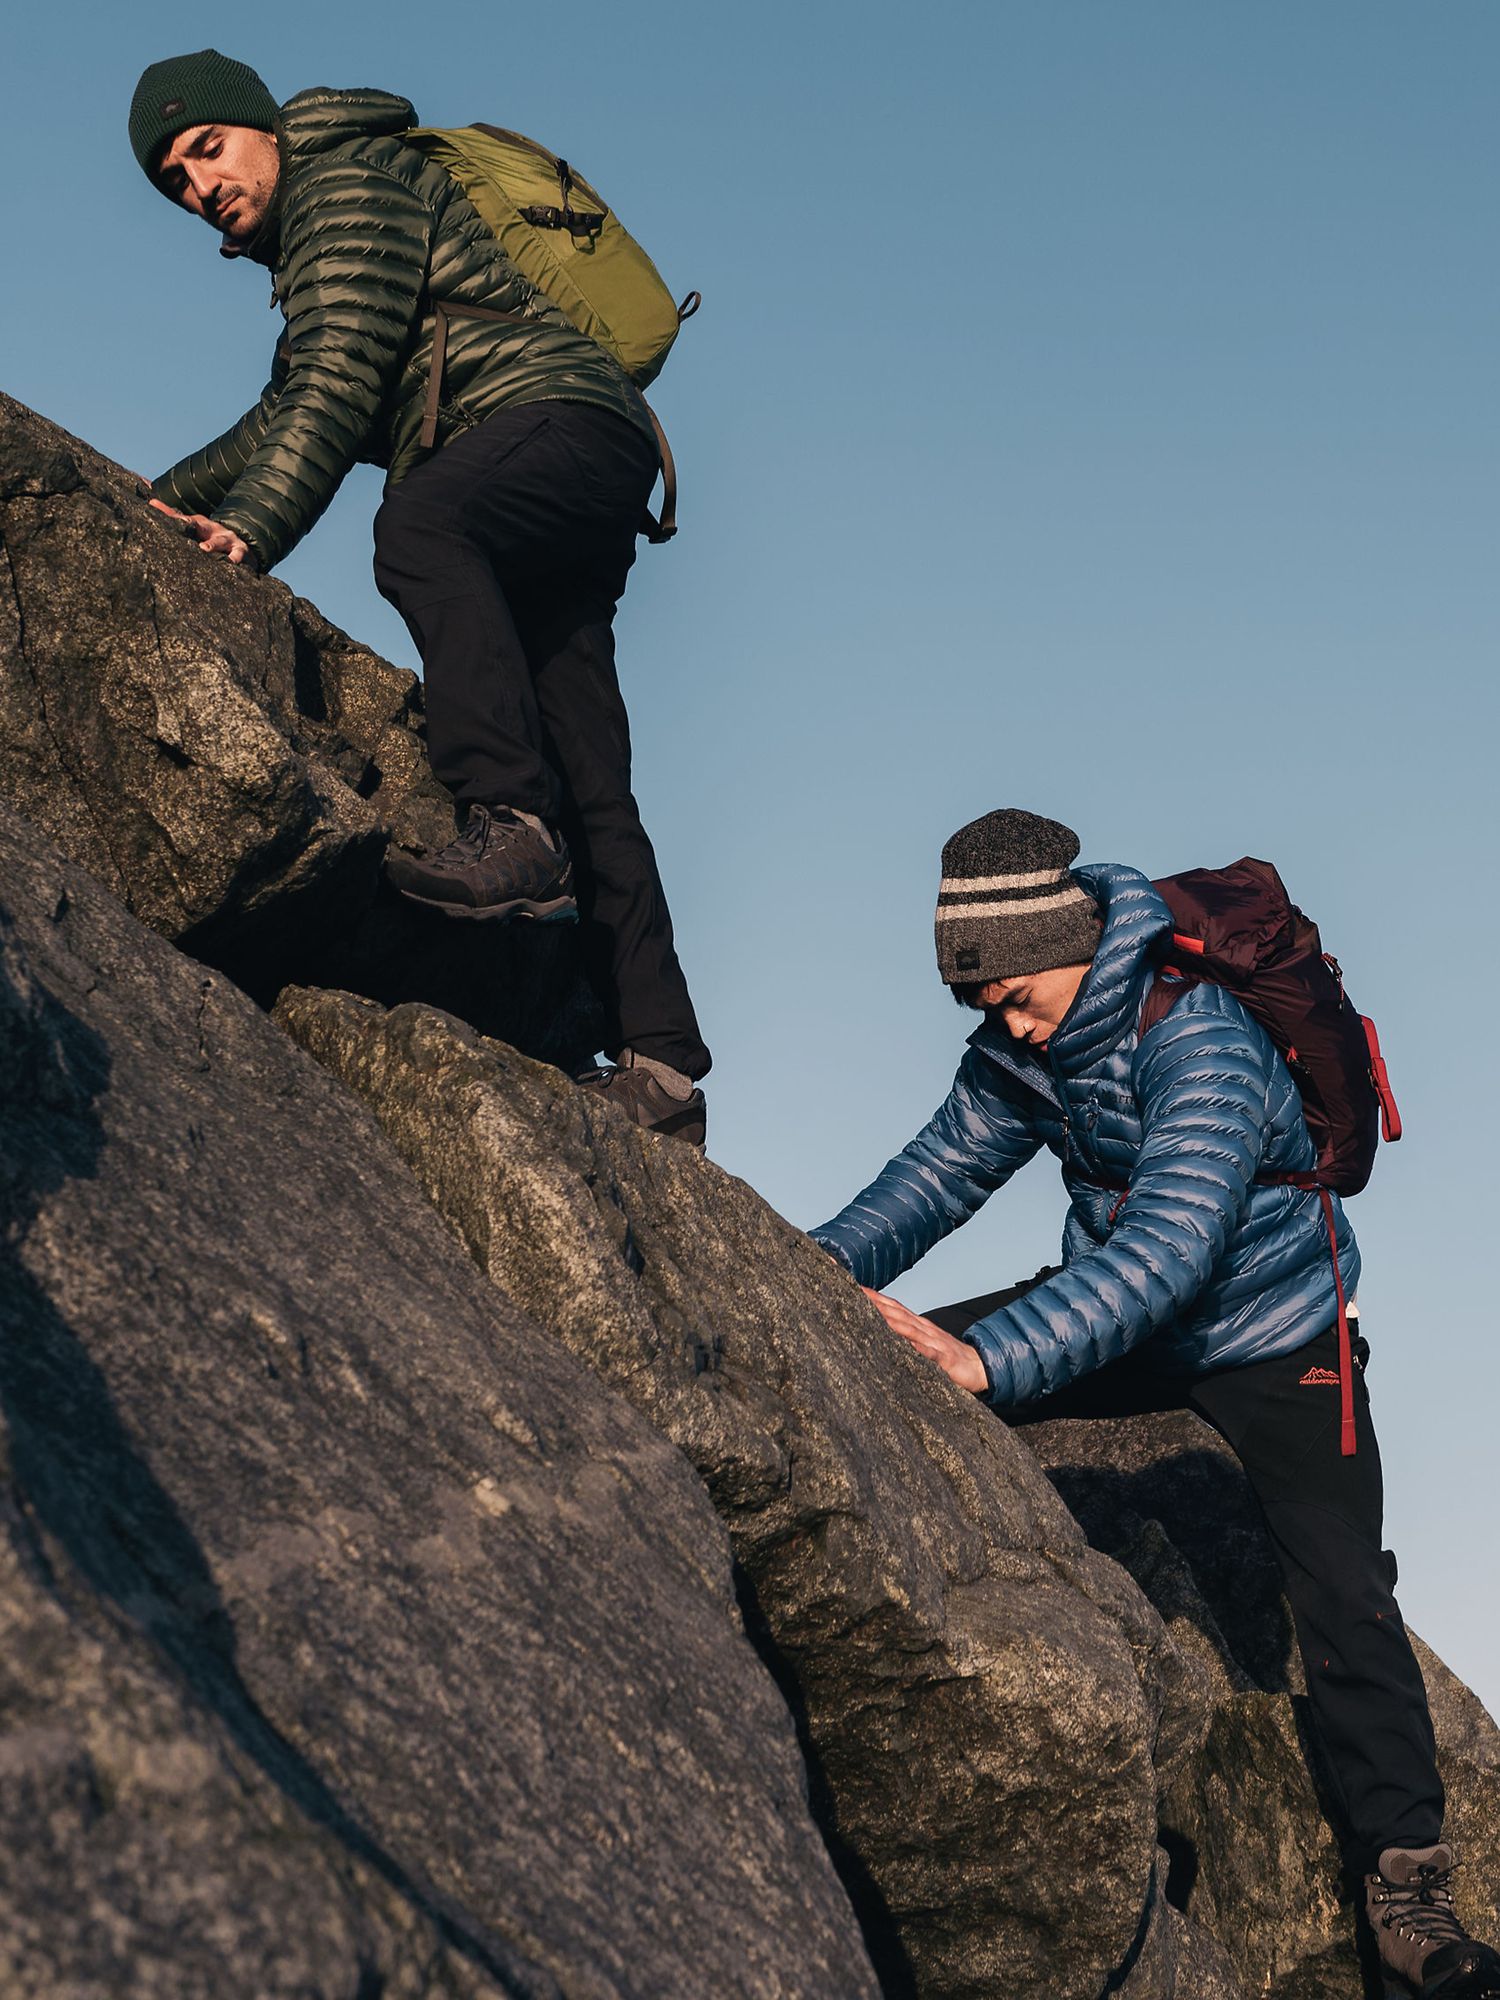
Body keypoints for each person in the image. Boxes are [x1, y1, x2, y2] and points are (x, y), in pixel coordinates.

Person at [810, 807, 1500, 2000]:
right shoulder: (1028, 1042)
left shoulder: (1205, 1042)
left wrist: (989, 1360)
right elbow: (932, 1177)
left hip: (1276, 1335)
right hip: (1124, 1307)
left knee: (1342, 1591)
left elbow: (1175, 1250)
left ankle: (1411, 1893)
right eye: (982, 1006)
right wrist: (798, 1273)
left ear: (1069, 943)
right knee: (886, 1363)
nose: (1004, 1021)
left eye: (1015, 992)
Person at [127, 49, 709, 1144]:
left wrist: (253, 525)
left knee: (422, 525)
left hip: (550, 421)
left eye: (206, 149)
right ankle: (664, 1070)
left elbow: (337, 381)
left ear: (262, 128)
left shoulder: (342, 184)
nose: (200, 186)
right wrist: (151, 500)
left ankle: (511, 826)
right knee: (589, 762)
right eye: (174, 181)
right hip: (576, 457)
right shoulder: (327, 228)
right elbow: (286, 410)